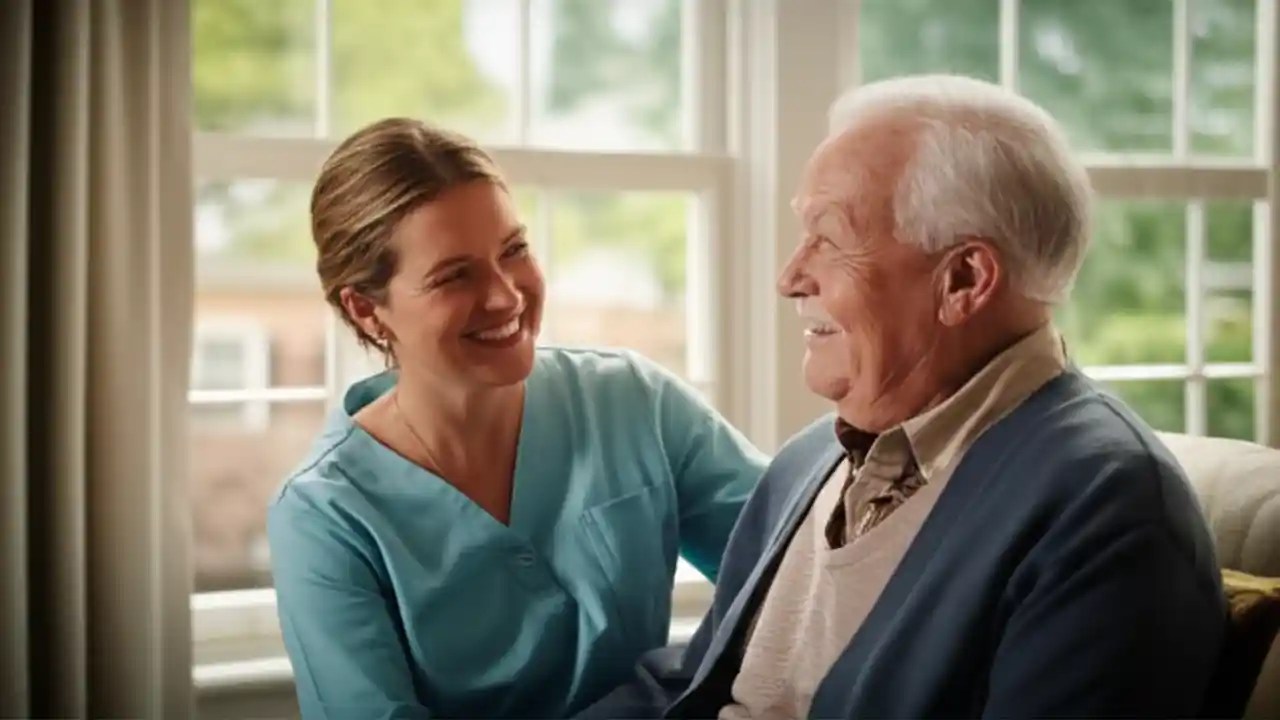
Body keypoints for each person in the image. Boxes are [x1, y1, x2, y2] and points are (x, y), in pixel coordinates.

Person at [583, 74, 1226, 719]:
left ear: (964, 280)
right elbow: (694, 686)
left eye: (827, 238)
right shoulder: (812, 460)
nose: (790, 277)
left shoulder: (1112, 510)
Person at [266, 118, 768, 719]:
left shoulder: (634, 402)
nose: (506, 296)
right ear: (368, 310)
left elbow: (801, 560)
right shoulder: (326, 518)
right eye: (455, 275)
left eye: (515, 251)